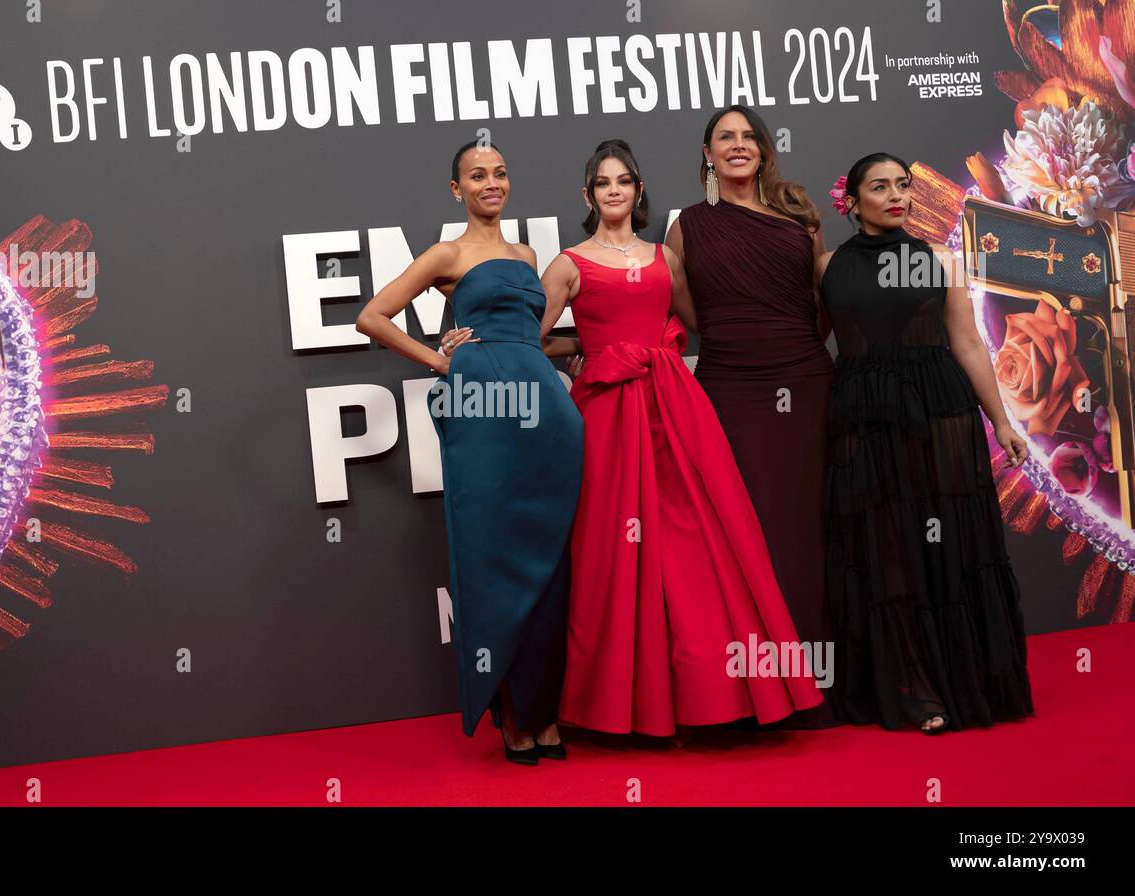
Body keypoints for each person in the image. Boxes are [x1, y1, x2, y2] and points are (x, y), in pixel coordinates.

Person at [443, 140, 824, 736]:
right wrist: (587, 352)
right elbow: (527, 340)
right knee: (611, 551)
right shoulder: (567, 264)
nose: (614, 191)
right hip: (607, 412)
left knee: (697, 544)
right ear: (588, 195)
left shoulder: (663, 259)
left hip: (674, 406)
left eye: (624, 181)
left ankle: (712, 699)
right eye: (602, 183)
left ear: (639, 191)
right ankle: (615, 703)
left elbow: (701, 326)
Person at [356, 141, 583, 764]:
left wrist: (593, 344)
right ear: (456, 189)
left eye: (500, 173)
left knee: (549, 558)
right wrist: (439, 360)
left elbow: (527, 340)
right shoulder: (446, 253)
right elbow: (371, 316)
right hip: (481, 413)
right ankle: (509, 711)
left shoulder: (527, 255)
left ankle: (543, 712)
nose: (491, 183)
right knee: (492, 553)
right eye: (477, 175)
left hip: (547, 417)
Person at [816, 151, 1034, 733]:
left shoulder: (941, 259)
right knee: (885, 551)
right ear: (852, 199)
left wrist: (1003, 423)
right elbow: (812, 347)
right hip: (862, 415)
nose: (897, 196)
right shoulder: (827, 265)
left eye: (904, 186)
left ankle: (957, 680)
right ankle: (912, 689)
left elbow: (967, 345)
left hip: (938, 411)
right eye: (880, 186)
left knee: (945, 545)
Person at [665, 104, 838, 727]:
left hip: (805, 382)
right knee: (745, 532)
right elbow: (687, 315)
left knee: (805, 528)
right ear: (707, 155)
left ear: (764, 150)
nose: (738, 146)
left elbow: (826, 301)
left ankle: (815, 687)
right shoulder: (685, 227)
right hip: (729, 390)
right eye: (724, 138)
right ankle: (757, 692)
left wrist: (789, 345)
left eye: (748, 137)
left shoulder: (799, 217)